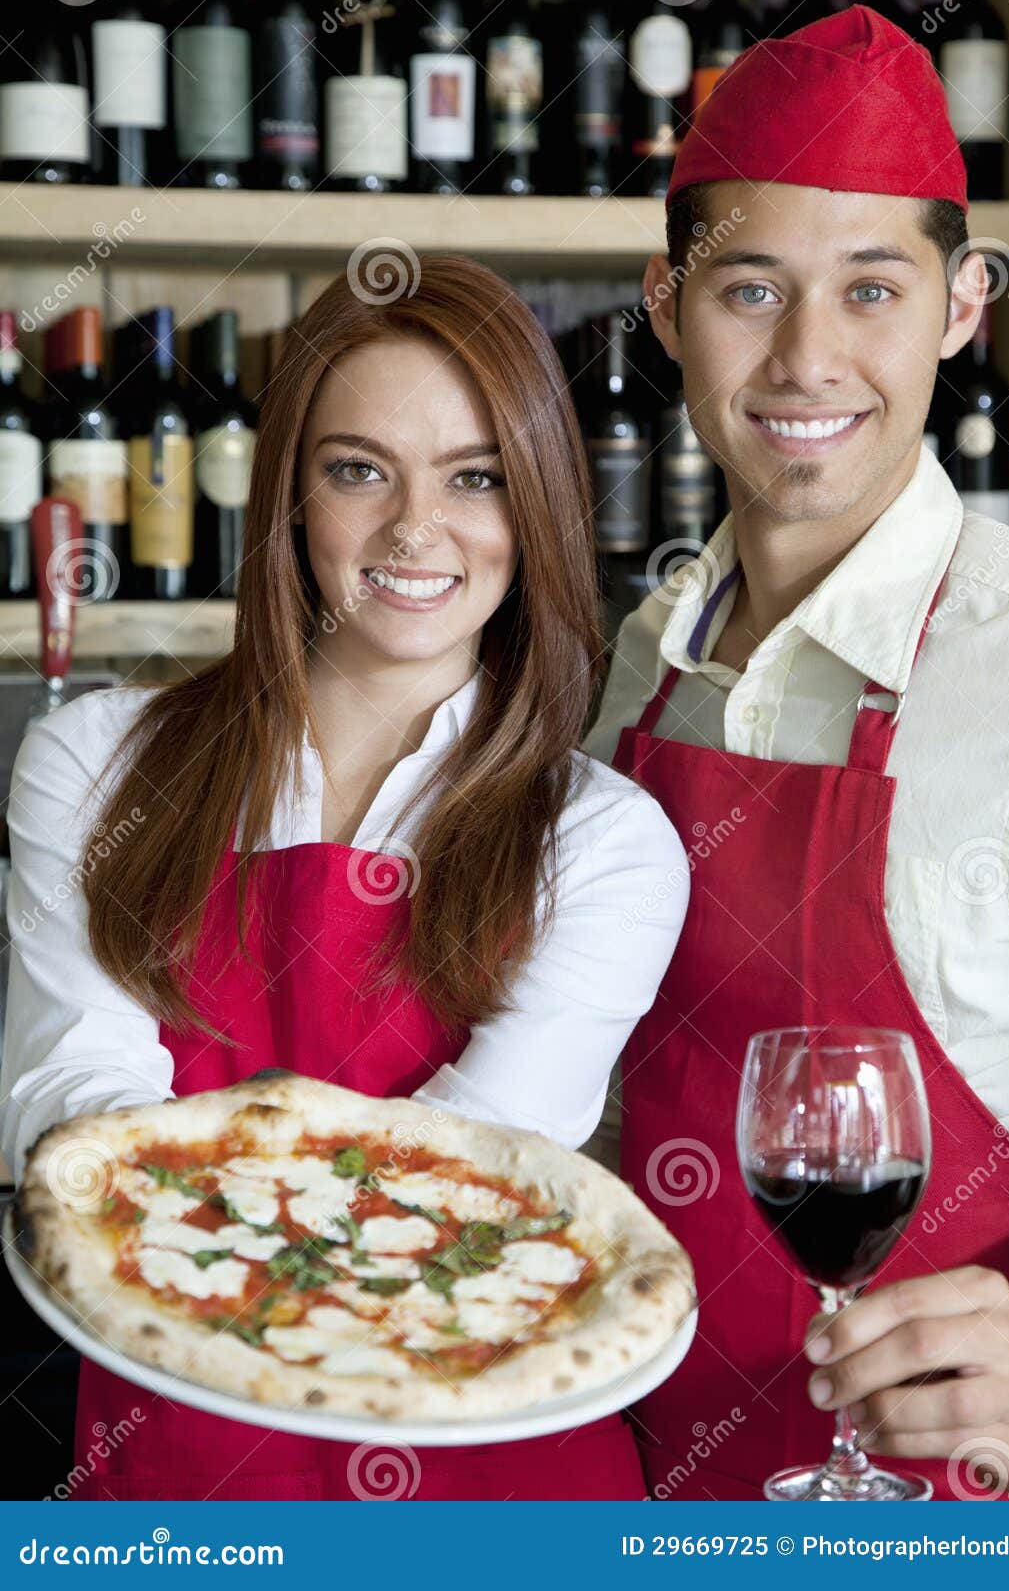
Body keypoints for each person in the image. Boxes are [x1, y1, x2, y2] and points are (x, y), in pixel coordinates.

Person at [0, 254, 690, 1501]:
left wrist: (189, 1183)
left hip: (497, 1503)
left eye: (474, 477)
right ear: (290, 498)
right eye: (358, 470)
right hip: (177, 1480)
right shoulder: (93, 765)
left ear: (534, 505)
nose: (415, 531)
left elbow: (466, 1188)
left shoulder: (604, 840)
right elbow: (69, 1107)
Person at [584, 6, 1009, 1501]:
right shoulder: (641, 655)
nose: (806, 358)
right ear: (666, 307)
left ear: (959, 304)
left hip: (952, 1515)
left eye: (870, 289)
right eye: (749, 288)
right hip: (648, 1484)